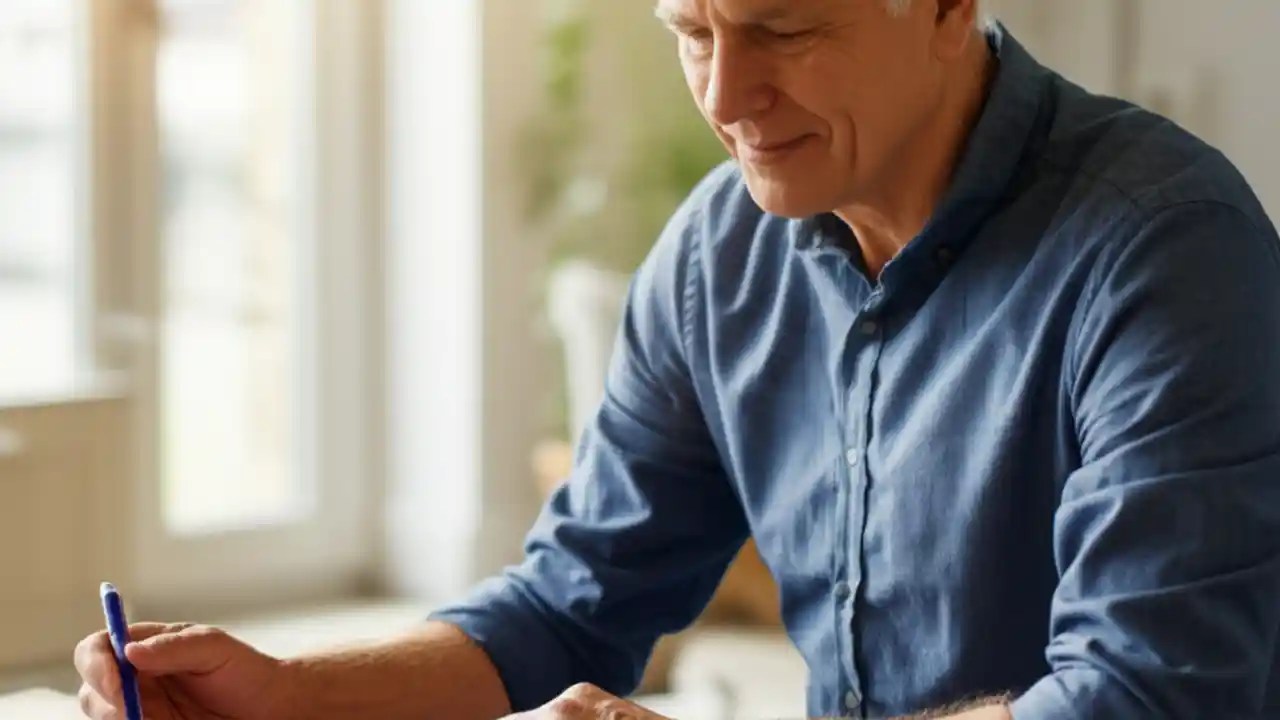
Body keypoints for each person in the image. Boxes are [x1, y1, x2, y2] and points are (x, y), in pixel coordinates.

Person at [75, 0, 1280, 717]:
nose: (725, 92)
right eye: (688, 26)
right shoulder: (718, 252)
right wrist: (290, 698)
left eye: (781, 29)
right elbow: (570, 603)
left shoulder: (1164, 248)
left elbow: (1146, 699)